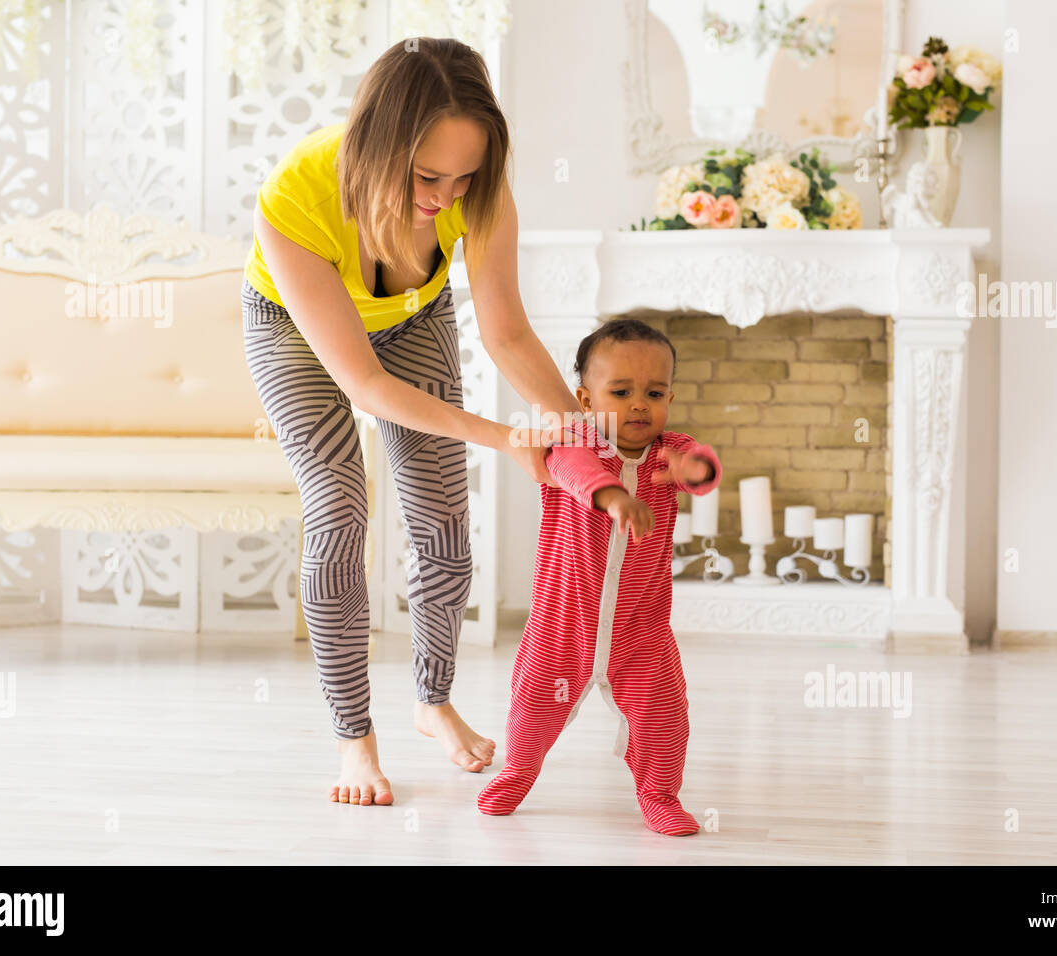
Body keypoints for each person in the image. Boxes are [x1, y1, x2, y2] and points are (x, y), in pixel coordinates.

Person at [241, 37, 581, 807]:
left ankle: (433, 702)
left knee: (443, 521)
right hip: (296, 328)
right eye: (429, 176)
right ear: (377, 145)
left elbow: (506, 334)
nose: (447, 195)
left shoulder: (480, 192)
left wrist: (571, 430)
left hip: (411, 317)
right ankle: (354, 738)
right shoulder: (296, 194)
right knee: (338, 508)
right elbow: (362, 384)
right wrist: (504, 437)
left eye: (464, 177)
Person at [476, 318, 723, 835]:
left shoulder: (670, 451)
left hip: (641, 628)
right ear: (585, 401)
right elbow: (574, 473)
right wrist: (614, 497)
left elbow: (704, 468)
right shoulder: (573, 443)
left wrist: (694, 471)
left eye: (654, 393)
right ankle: (520, 771)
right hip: (561, 626)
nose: (639, 404)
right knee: (531, 711)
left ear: (670, 398)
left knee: (665, 718)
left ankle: (658, 792)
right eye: (622, 391)